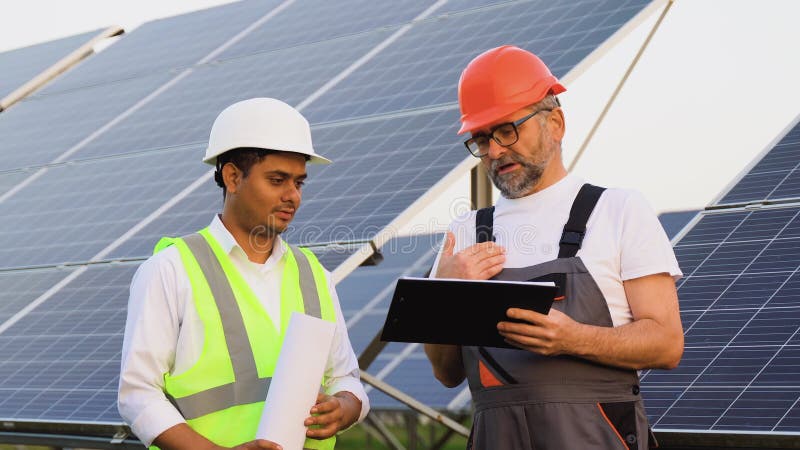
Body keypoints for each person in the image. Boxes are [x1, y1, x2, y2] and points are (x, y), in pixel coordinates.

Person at [423, 45, 684, 449]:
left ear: (556, 123)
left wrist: (573, 338)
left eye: (507, 130)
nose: (494, 151)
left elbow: (667, 344)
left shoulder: (617, 210)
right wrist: (444, 297)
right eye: (481, 138)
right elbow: (447, 373)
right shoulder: (466, 231)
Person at [119, 98, 369, 450]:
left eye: (299, 182)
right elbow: (137, 394)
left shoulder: (314, 275)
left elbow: (346, 378)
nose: (293, 196)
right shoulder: (171, 270)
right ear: (232, 177)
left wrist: (343, 407)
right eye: (277, 180)